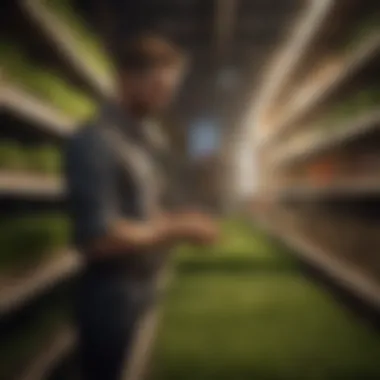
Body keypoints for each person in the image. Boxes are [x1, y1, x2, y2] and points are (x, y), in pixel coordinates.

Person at [64, 32, 219, 380]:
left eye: (169, 89)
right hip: (110, 300)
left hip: (140, 290)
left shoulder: (141, 143)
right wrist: (176, 229)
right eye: (158, 86)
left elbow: (140, 217)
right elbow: (99, 238)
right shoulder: (95, 142)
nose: (165, 98)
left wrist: (176, 218)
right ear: (125, 79)